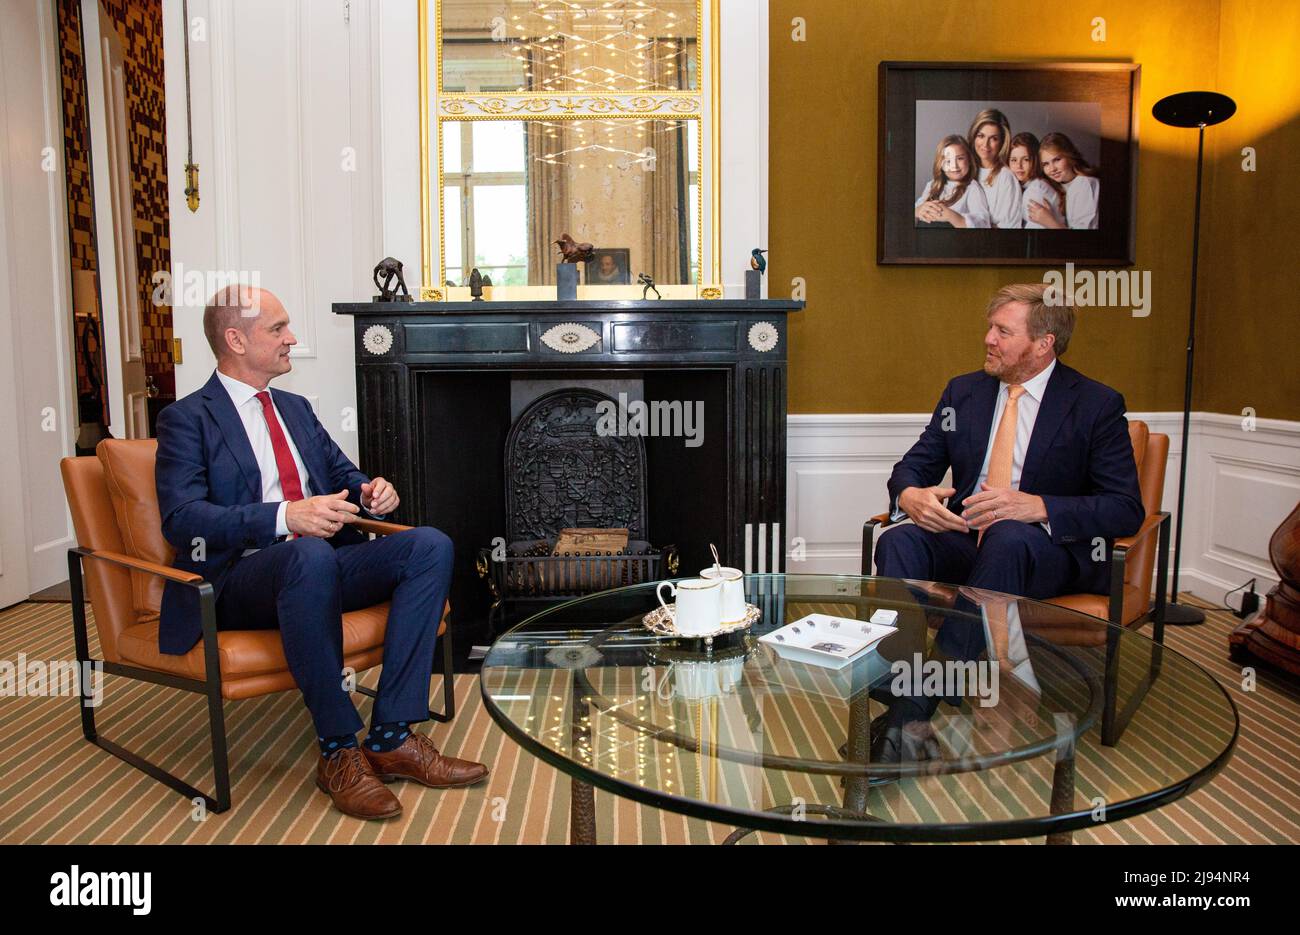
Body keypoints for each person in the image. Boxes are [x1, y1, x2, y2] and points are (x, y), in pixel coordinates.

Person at [155, 285, 489, 821]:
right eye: (278, 329)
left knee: (428, 544)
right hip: (238, 580)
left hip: (319, 568)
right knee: (307, 555)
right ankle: (337, 750)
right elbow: (182, 517)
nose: (292, 339)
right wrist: (286, 516)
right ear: (236, 339)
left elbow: (340, 475)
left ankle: (390, 735)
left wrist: (368, 491)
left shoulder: (294, 408)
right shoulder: (187, 418)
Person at [876, 281, 1143, 601]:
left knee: (1007, 537)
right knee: (898, 541)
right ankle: (896, 652)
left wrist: (1040, 506)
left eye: (1003, 332)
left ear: (1044, 344)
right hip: (967, 537)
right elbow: (916, 464)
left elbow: (1124, 508)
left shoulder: (1095, 405)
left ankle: (954, 653)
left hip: (1048, 552)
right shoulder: (963, 393)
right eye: (990, 327)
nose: (988, 339)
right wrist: (908, 494)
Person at [914, 134, 992, 228]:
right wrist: (919, 210)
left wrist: (950, 216)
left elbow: (983, 223)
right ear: (940, 164)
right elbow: (915, 211)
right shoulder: (932, 185)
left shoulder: (972, 188)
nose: (954, 166)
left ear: (969, 160)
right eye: (948, 160)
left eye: (960, 158)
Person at [967, 109, 1022, 229]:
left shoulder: (1006, 177)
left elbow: (1010, 226)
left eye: (993, 138)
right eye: (981, 136)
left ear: (1002, 142)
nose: (985, 144)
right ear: (973, 136)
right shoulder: (963, 169)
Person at [1037, 132, 1101, 229]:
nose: (1052, 169)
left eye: (1057, 160)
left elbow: (1082, 238)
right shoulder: (1060, 187)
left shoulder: (1085, 184)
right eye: (1046, 164)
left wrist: (1049, 222)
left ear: (1070, 156)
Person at [1007, 131, 1066, 229]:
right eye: (1014, 160)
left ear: (1035, 160)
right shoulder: (1030, 186)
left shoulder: (1035, 191)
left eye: (1026, 159)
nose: (1019, 165)